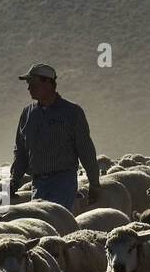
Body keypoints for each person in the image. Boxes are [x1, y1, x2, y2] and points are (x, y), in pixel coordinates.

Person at [8, 63, 100, 210]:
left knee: (56, 223)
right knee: (40, 226)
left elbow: (85, 149)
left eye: (33, 83)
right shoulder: (28, 114)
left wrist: (94, 184)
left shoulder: (72, 112)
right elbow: (21, 150)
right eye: (28, 83)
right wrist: (14, 180)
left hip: (63, 181)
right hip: (38, 182)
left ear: (48, 83)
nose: (29, 87)